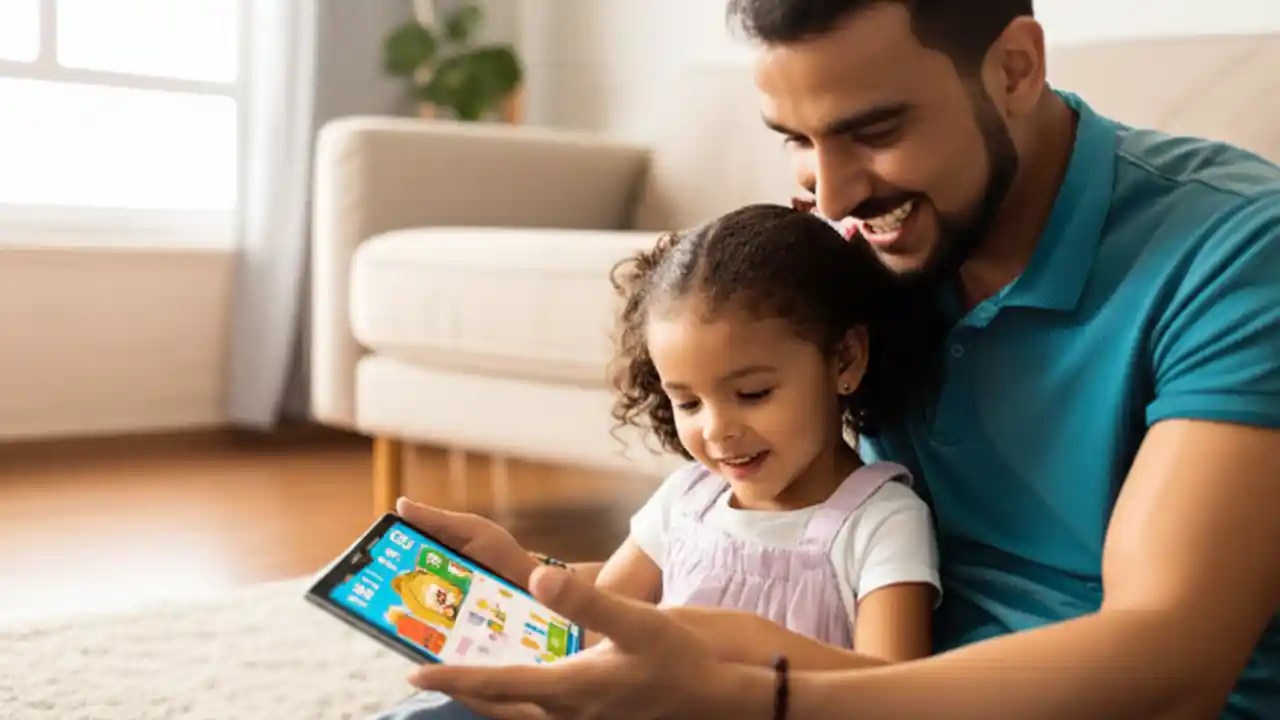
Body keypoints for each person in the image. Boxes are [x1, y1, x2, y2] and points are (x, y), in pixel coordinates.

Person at [380, 1, 1280, 718]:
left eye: (875, 130)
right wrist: (555, 593)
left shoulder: (1237, 251)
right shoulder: (869, 249)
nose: (834, 194)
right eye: (797, 142)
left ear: (1015, 68)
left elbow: (1172, 667)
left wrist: (766, 699)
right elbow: (778, 556)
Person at [373, 204, 944, 720]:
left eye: (753, 394)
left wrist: (743, 654)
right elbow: (595, 621)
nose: (717, 429)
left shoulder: (880, 521)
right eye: (688, 402)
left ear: (844, 359)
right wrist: (519, 569)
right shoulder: (689, 500)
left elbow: (894, 691)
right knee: (436, 710)